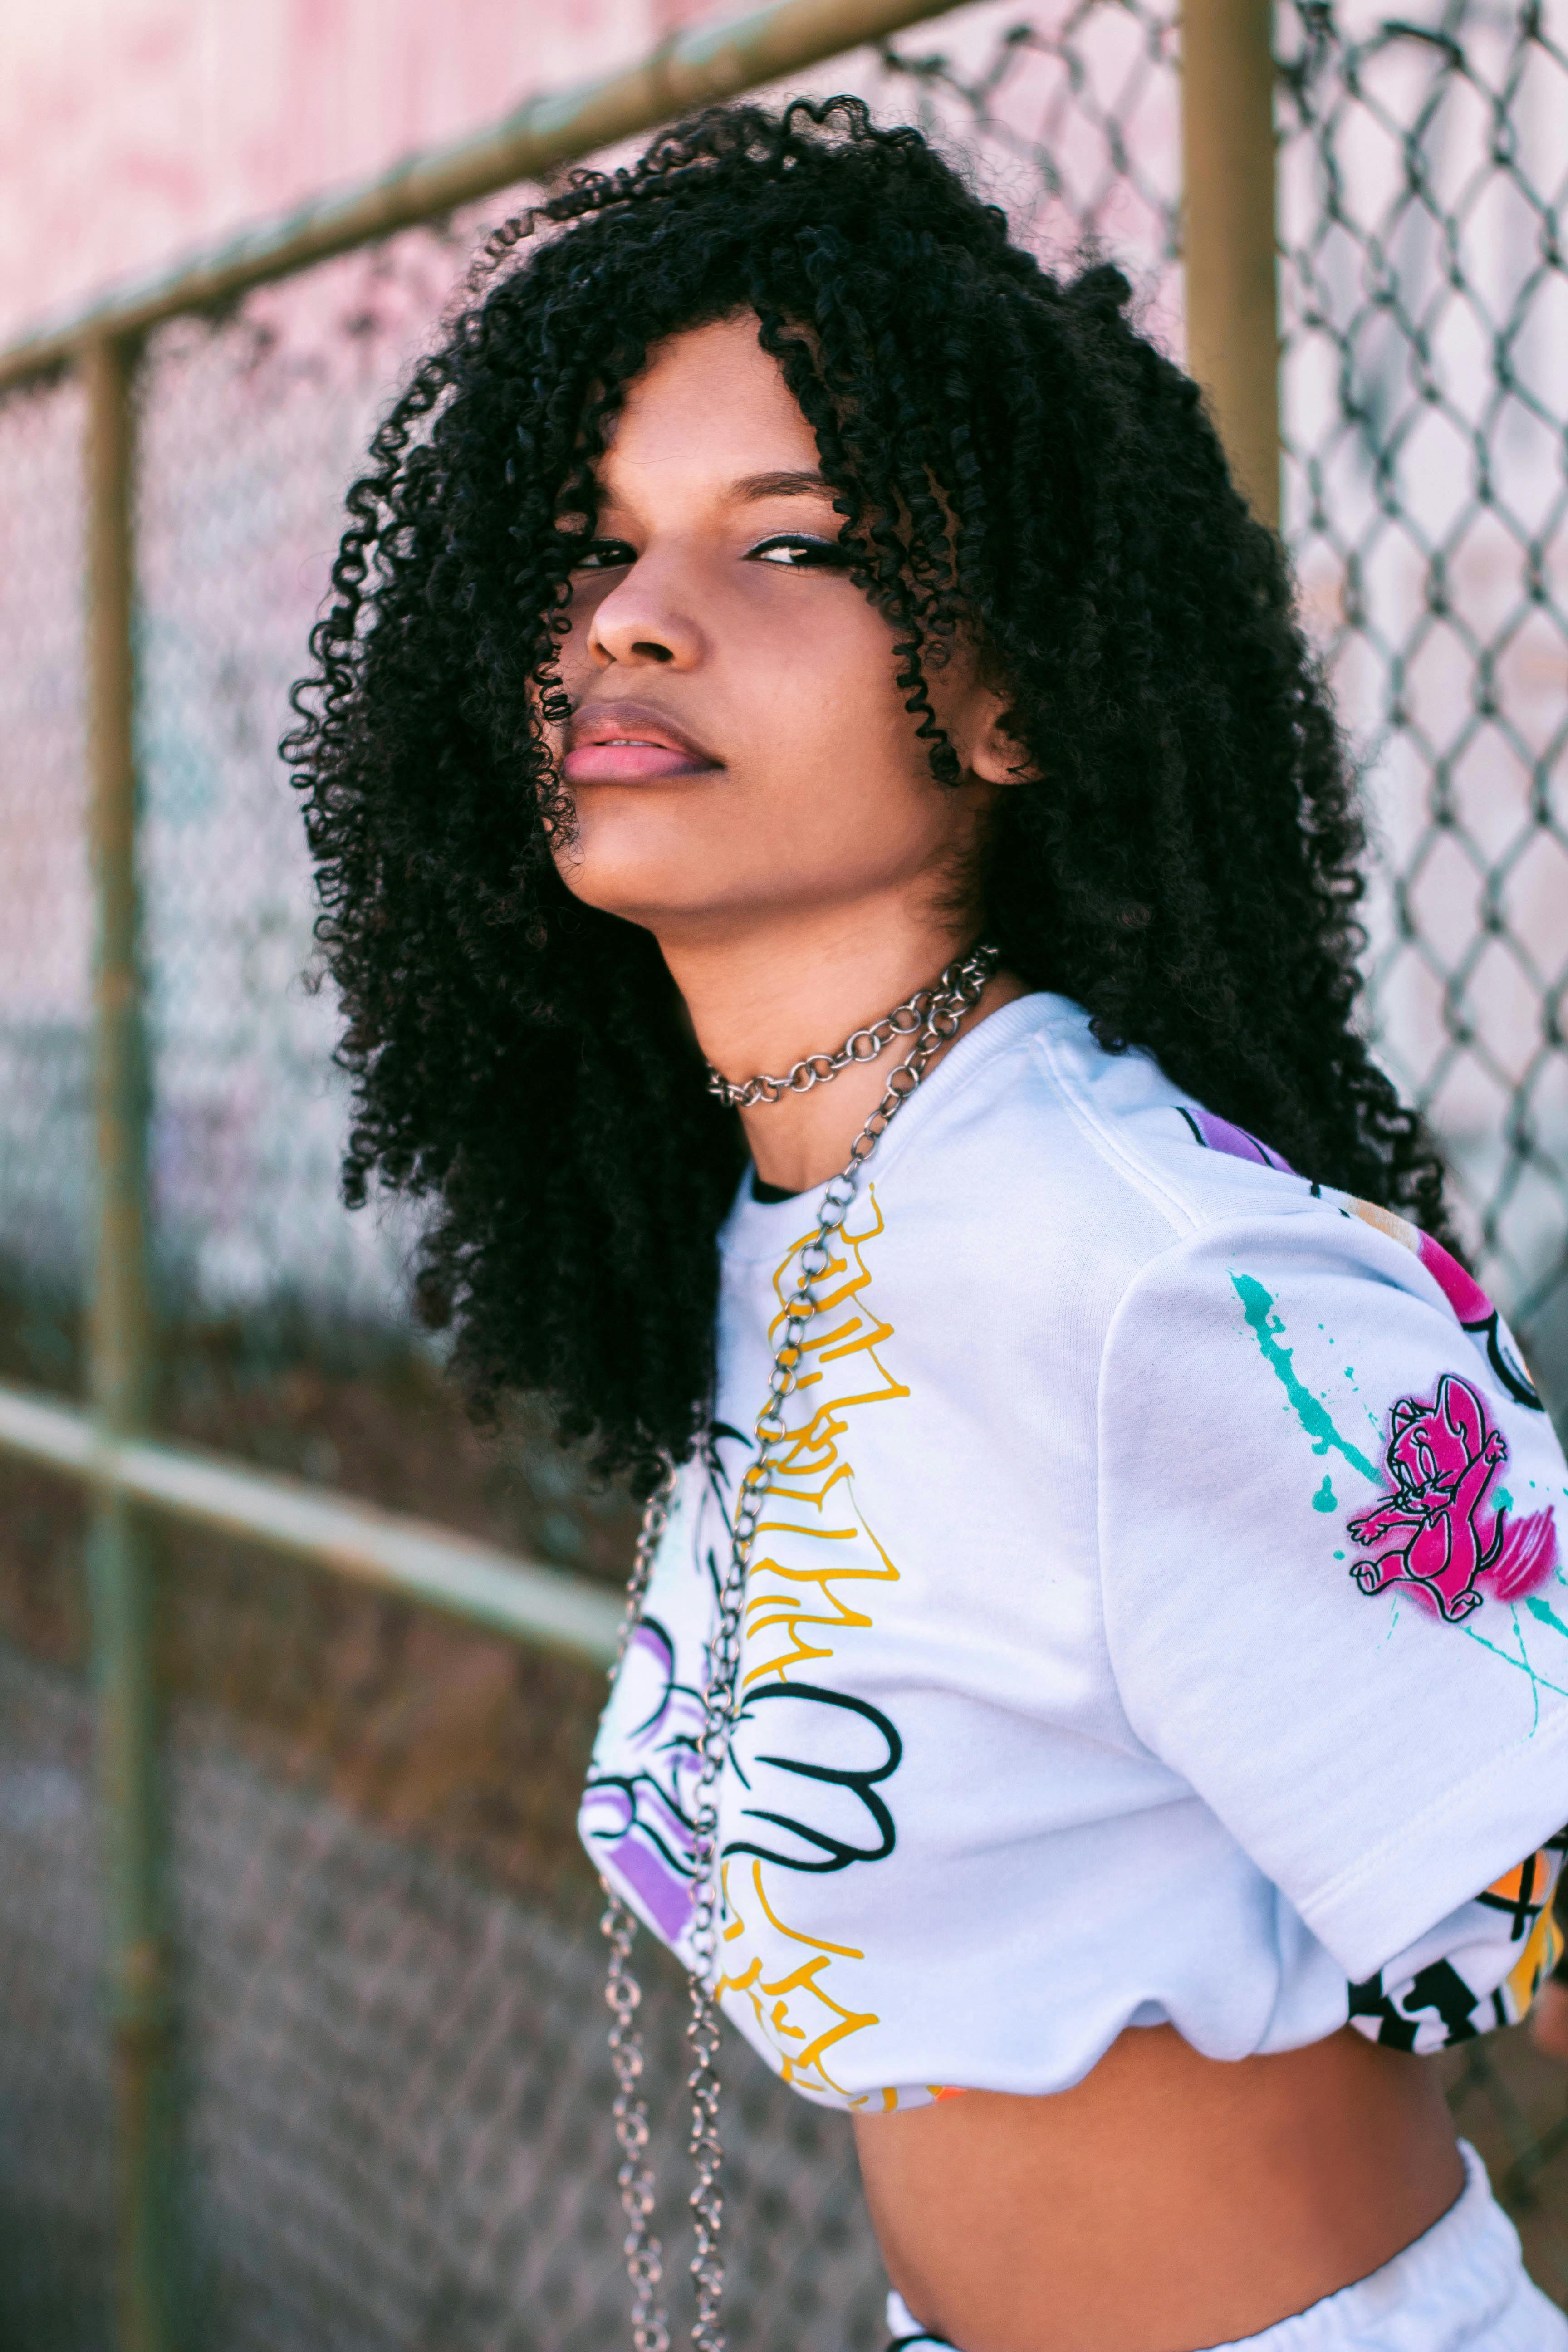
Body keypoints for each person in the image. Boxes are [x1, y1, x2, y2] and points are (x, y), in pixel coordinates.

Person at [288, 97, 1568, 2352]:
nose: (634, 624)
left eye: (784, 545)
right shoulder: (812, 1211)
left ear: (1005, 694)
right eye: (592, 546)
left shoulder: (1134, 1270)